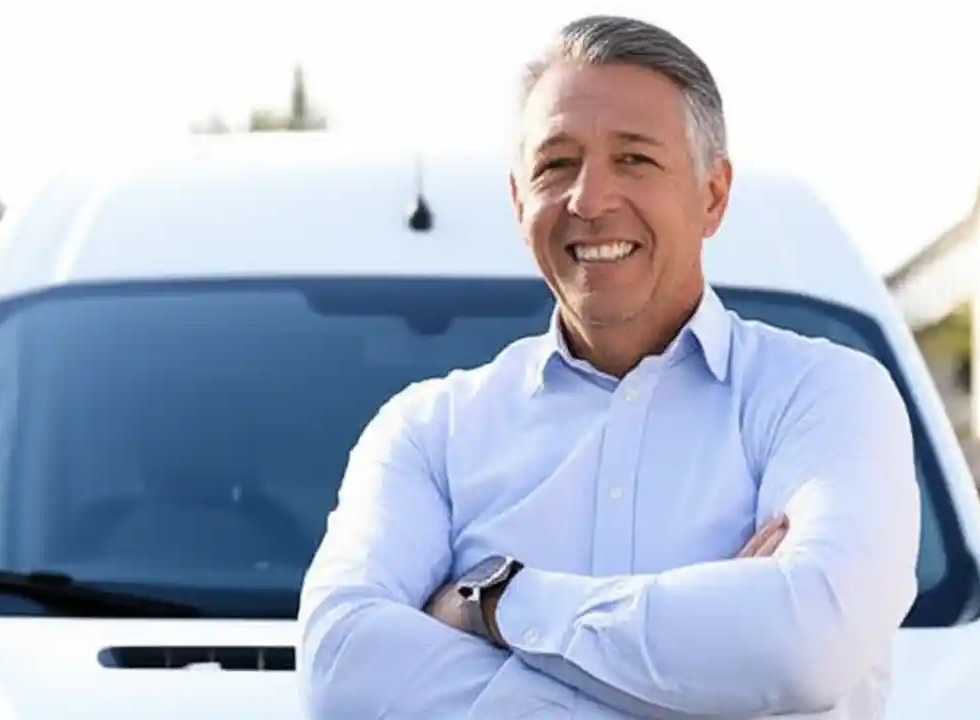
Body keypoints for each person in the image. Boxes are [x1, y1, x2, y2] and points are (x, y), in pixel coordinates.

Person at [296, 14, 920, 720]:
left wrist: (496, 603)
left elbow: (807, 648)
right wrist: (710, 671)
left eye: (635, 159)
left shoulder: (823, 396)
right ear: (517, 199)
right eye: (556, 163)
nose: (590, 201)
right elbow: (341, 669)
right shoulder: (428, 432)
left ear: (713, 196)